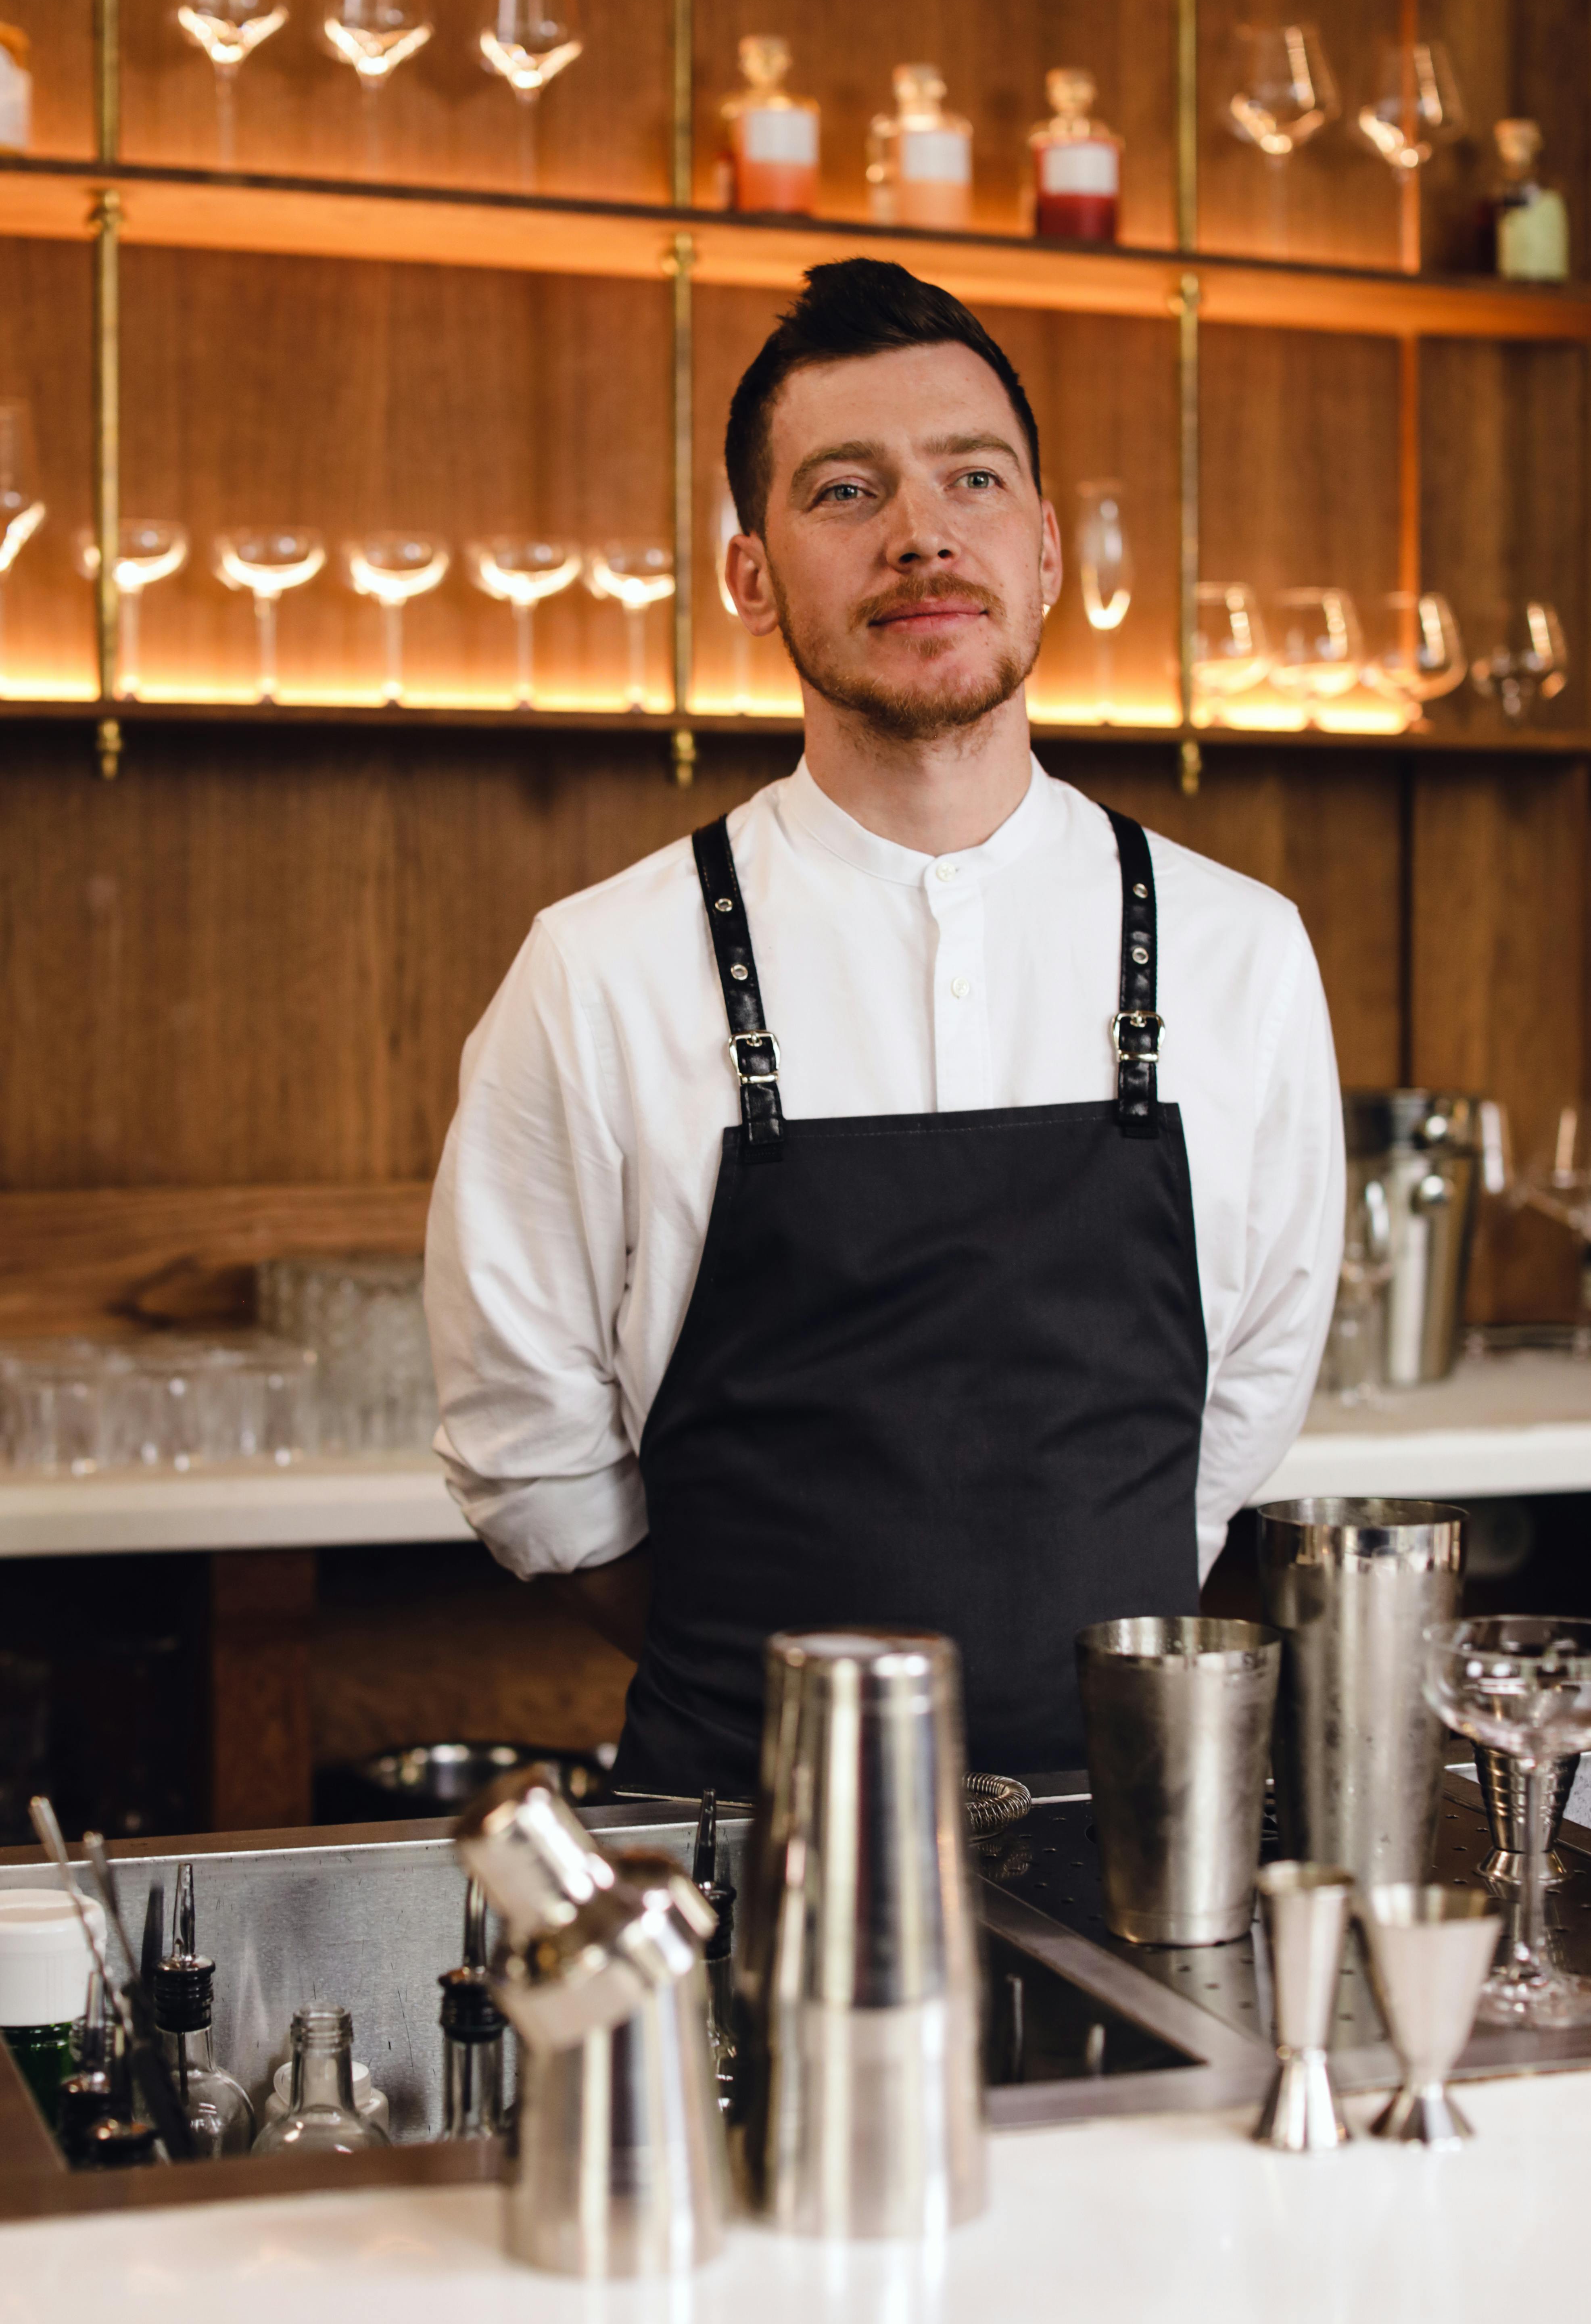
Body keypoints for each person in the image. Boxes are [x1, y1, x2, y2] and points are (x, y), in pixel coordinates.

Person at [425, 257, 1344, 1796]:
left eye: (973, 479)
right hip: (742, 1830)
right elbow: (530, 1458)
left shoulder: (1237, 950)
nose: (923, 533)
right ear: (751, 574)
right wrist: (809, 1715)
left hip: (1133, 1844)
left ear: (1045, 550)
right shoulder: (600, 970)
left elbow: (1238, 1410)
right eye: (846, 490)